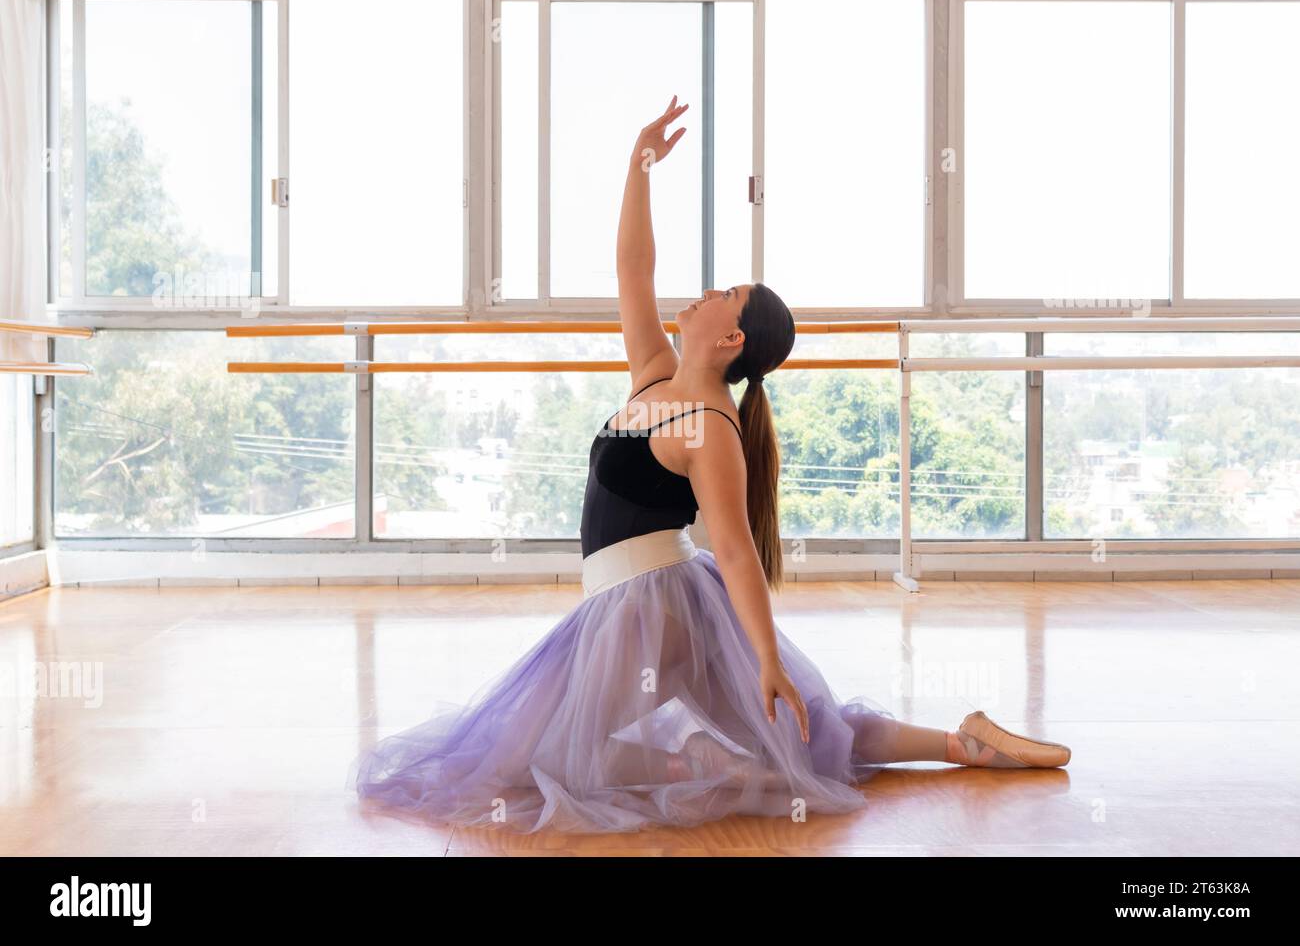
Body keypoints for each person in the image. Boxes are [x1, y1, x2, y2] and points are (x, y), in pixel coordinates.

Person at [346, 96, 1071, 835]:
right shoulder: (655, 373)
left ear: (730, 339)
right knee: (801, 733)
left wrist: (765, 656)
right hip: (627, 609)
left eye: (727, 295)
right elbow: (633, 266)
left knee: (541, 761)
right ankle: (962, 741)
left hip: (651, 611)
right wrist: (639, 164)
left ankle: (695, 761)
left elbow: (734, 548)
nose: (708, 292)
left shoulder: (712, 428)